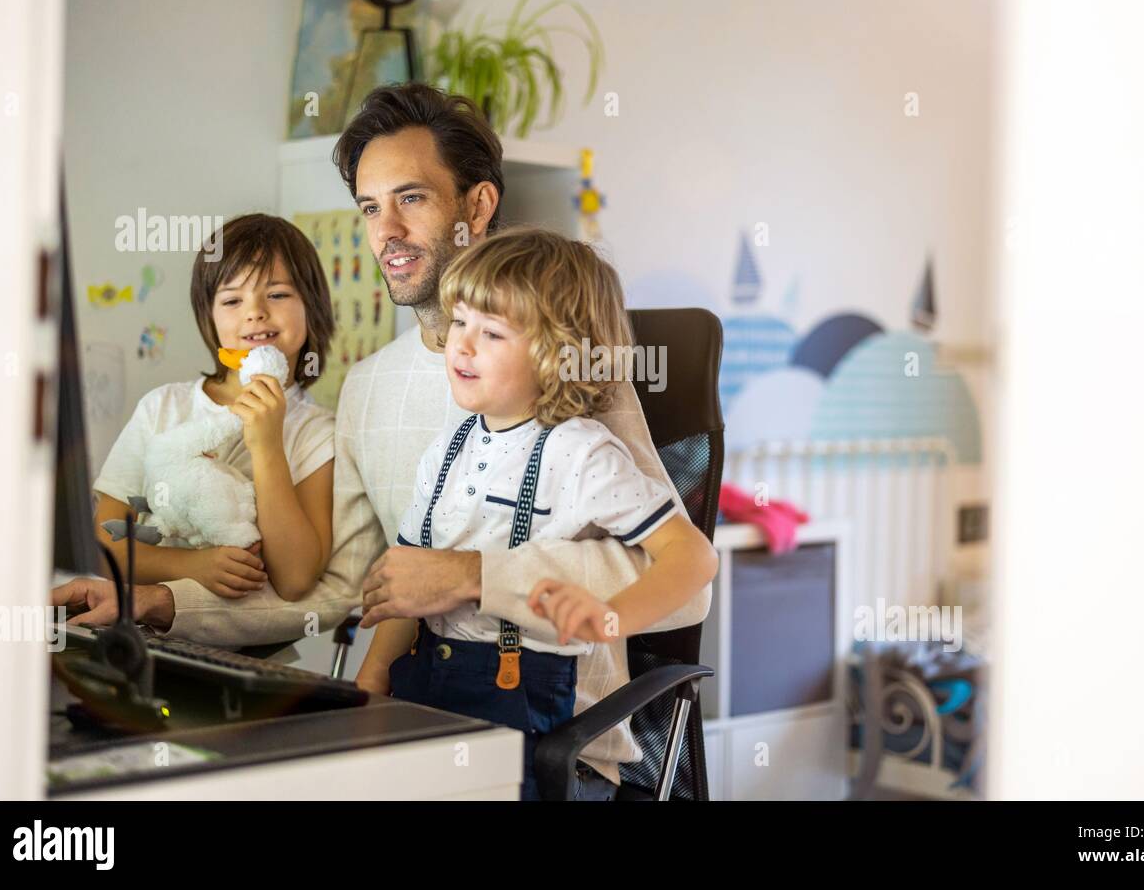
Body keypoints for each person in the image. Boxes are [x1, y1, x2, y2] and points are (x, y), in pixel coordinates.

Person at [53, 82, 711, 797]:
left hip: (550, 742)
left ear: (478, 206)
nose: (385, 230)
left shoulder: (564, 372)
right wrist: (164, 603)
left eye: (412, 198)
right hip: (425, 724)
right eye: (369, 207)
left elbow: (683, 592)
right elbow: (343, 591)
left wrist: (470, 574)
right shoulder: (366, 388)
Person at [355, 228, 717, 800]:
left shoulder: (582, 452)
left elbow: (693, 557)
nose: (462, 347)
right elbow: (408, 581)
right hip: (435, 706)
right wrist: (370, 686)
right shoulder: (448, 449)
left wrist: (611, 617)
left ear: (556, 355)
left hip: (541, 742)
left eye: (491, 333)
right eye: (459, 323)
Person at [90, 213, 336, 602]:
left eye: (277, 294)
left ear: (313, 305)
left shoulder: (319, 432)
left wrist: (268, 447)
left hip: (238, 654)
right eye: (232, 299)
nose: (254, 311)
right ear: (209, 316)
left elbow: (295, 580)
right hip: (135, 637)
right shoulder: (162, 407)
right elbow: (104, 548)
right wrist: (191, 565)